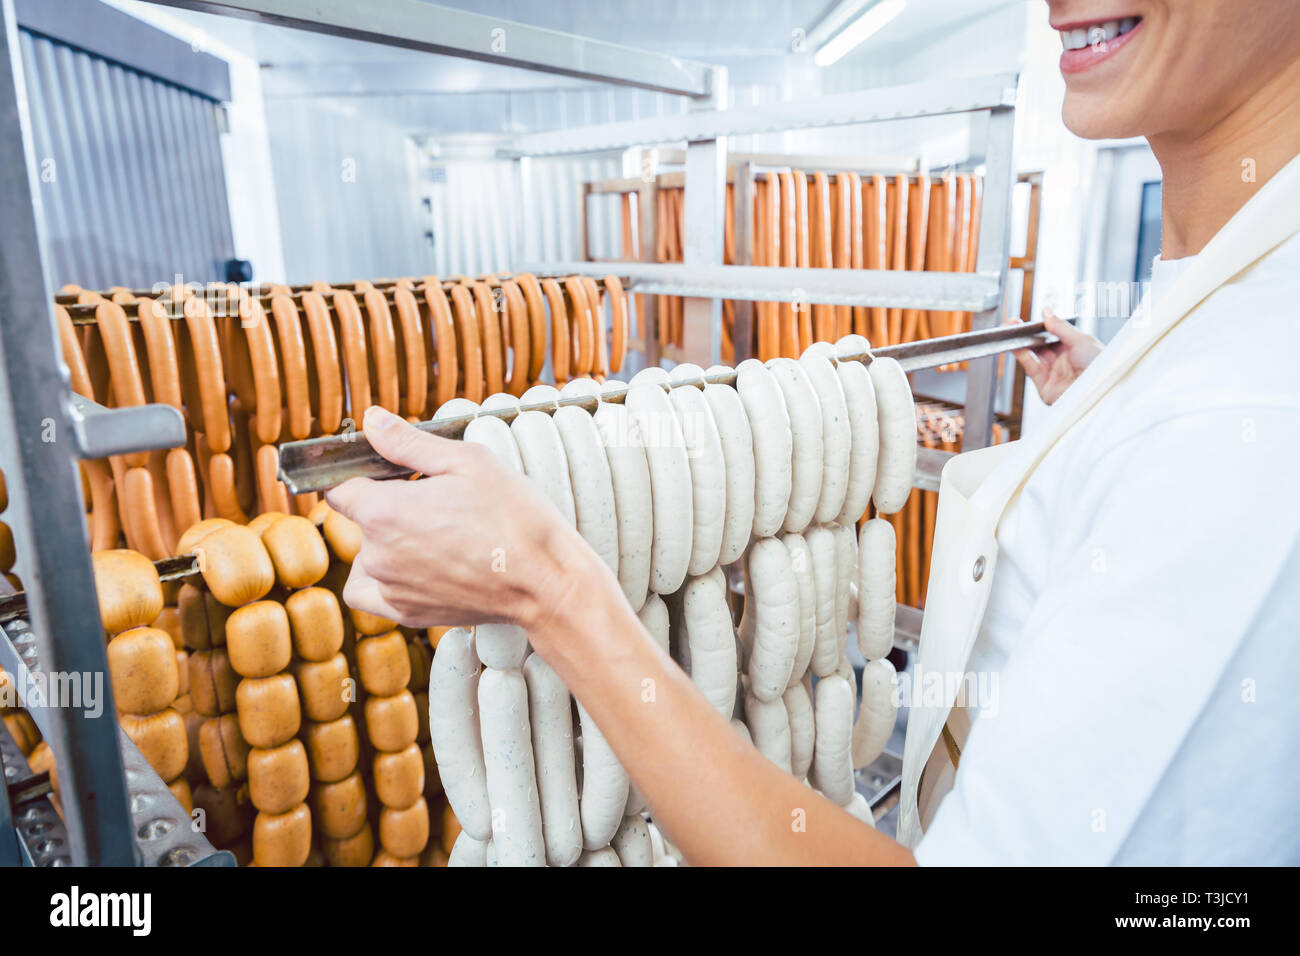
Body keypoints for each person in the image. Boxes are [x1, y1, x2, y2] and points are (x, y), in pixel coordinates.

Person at [328, 0, 1300, 865]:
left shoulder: (1244, 413)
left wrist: (549, 586)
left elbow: (1223, 451)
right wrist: (1108, 413)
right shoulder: (1215, 337)